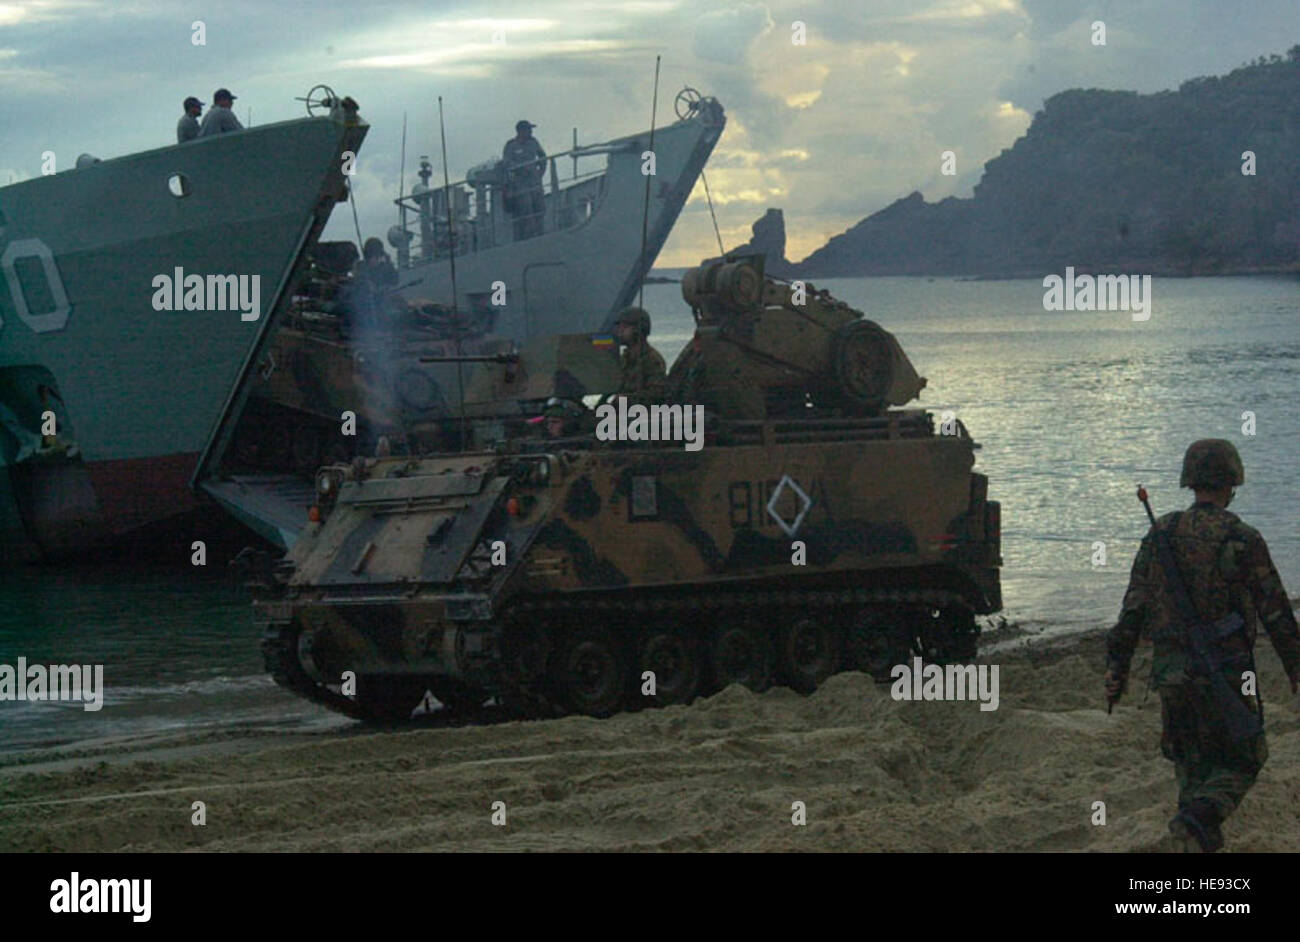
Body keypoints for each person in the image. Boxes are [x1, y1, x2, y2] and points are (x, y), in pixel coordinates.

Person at [1104, 439, 1300, 852]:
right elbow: (1277, 615)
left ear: (1190, 483)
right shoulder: (1242, 539)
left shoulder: (1160, 534)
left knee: (1191, 768)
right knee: (1248, 755)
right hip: (1228, 671)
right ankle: (1200, 819)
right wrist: (1295, 670)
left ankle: (1194, 840)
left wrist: (1116, 670)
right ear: (1231, 483)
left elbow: (1132, 612)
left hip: (1171, 674)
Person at [610, 306, 667, 407]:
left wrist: (627, 399)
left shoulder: (652, 360)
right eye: (619, 327)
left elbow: (657, 395)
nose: (620, 331)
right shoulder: (625, 358)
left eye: (625, 327)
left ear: (638, 329)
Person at [502, 119, 546, 239]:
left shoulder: (533, 142)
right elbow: (506, 163)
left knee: (539, 208)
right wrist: (519, 168)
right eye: (529, 129)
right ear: (521, 131)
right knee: (525, 209)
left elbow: (542, 156)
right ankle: (526, 237)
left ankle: (540, 234)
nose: (531, 132)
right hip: (520, 184)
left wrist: (540, 172)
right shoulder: (511, 145)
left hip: (535, 183)